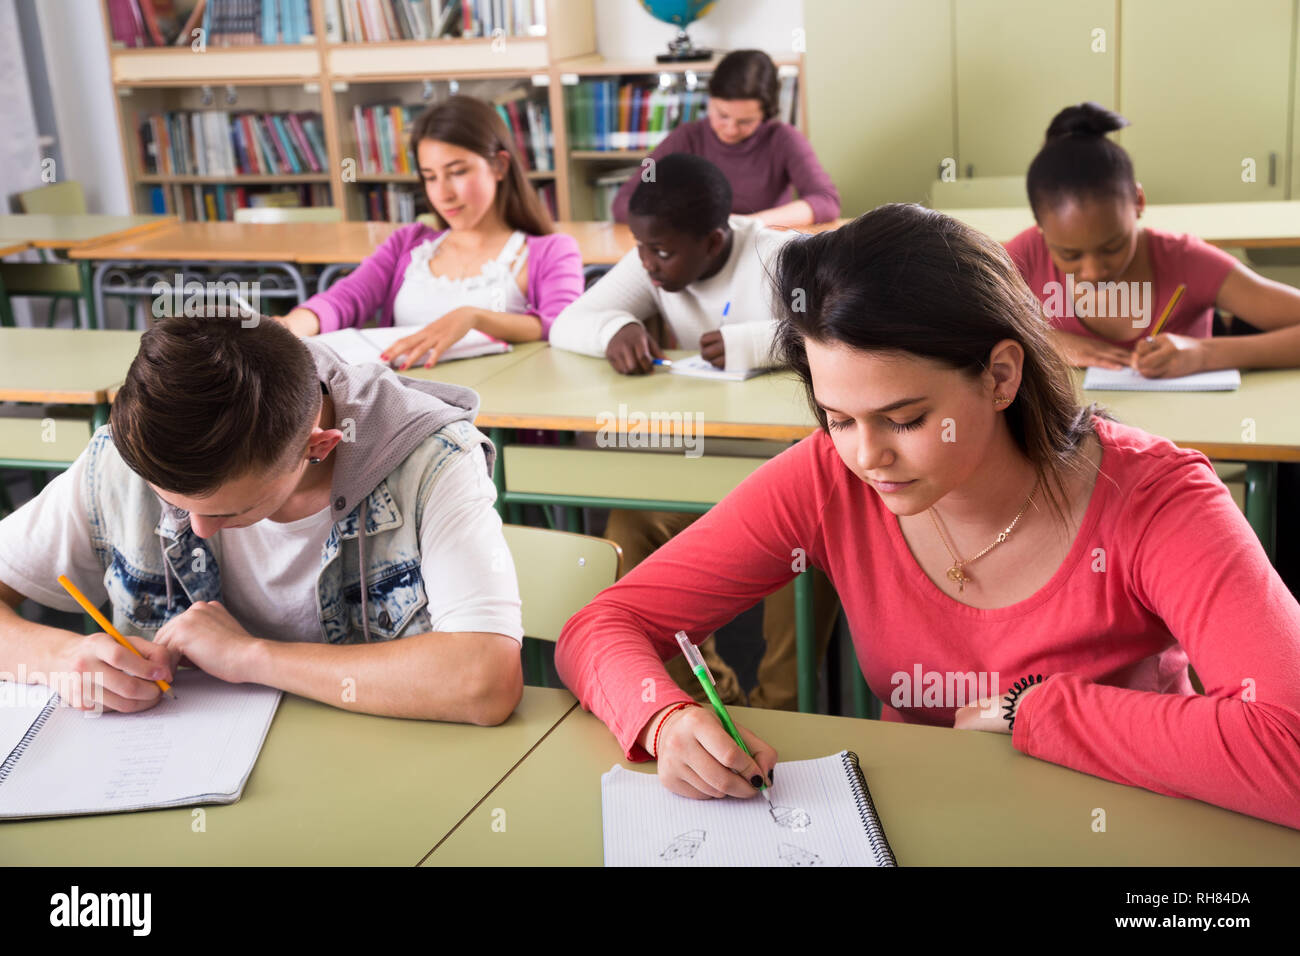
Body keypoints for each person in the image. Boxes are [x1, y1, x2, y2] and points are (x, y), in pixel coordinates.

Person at [555, 203, 1300, 832]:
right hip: (915, 823)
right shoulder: (829, 474)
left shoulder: (1155, 498)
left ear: (1001, 375)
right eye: (838, 417)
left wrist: (1033, 712)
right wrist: (664, 719)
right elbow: (602, 627)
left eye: (905, 418)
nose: (867, 456)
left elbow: (1289, 750)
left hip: (1134, 825)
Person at [0, 315, 524, 723]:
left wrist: (253, 657)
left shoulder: (431, 461)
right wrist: (60, 655)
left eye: (229, 510)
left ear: (318, 446)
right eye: (175, 504)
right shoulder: (132, 452)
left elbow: (485, 679)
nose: (197, 529)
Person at [551, 153, 840, 710]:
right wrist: (618, 326)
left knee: (810, 548)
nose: (647, 266)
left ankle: (781, 705)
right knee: (629, 523)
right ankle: (695, 698)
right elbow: (569, 321)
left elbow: (840, 328)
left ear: (713, 241)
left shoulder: (779, 255)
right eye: (639, 248)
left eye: (659, 252)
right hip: (701, 467)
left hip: (785, 474)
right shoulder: (654, 256)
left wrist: (754, 343)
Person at [280, 95, 583, 368]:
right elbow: (345, 299)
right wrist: (293, 325)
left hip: (501, 418)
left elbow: (561, 325)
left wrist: (472, 317)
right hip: (408, 411)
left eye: (458, 172)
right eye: (430, 177)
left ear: (499, 166)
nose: (444, 194)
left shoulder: (551, 250)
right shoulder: (408, 244)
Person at [1007, 102, 1300, 377]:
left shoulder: (1186, 261)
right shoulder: (1026, 253)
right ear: (1040, 225)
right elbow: (963, 326)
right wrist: (1047, 341)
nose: (1094, 271)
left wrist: (1206, 353)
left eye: (1113, 247)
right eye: (1070, 256)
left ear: (1139, 202)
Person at [610, 50, 840, 228]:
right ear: (709, 101)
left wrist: (750, 224)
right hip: (701, 253)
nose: (730, 129)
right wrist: (682, 220)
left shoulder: (784, 140)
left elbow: (826, 200)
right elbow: (625, 202)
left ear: (765, 115)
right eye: (722, 115)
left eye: (745, 122)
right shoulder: (686, 138)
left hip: (764, 248)